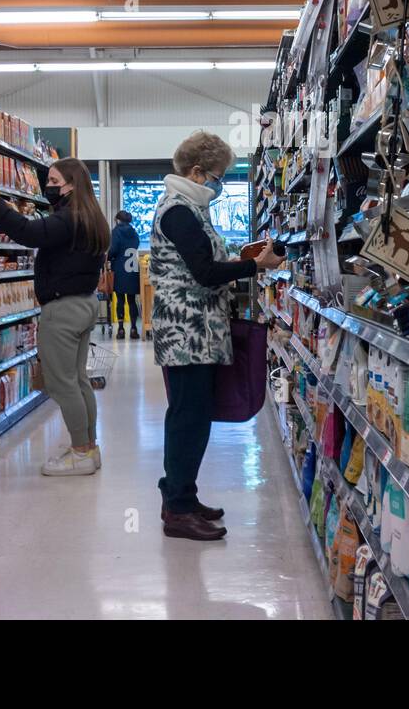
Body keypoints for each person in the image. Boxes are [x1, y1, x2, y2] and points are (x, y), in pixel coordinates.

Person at [149, 131, 284, 541]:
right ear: (196, 171)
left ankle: (183, 498)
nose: (218, 183)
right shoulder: (178, 211)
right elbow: (205, 272)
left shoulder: (191, 208)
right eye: (216, 175)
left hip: (198, 330)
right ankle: (176, 508)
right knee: (188, 419)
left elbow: (206, 262)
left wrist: (243, 258)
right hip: (185, 332)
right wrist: (254, 267)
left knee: (193, 416)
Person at [0, 158, 109, 477]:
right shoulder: (92, 217)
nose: (48, 187)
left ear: (71, 184)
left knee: (62, 383)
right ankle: (89, 448)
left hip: (63, 310)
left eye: (53, 180)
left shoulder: (68, 218)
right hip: (85, 303)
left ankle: (80, 452)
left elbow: (27, 232)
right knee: (78, 379)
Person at [107, 210, 142, 340]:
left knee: (120, 300)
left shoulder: (116, 231)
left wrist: (108, 257)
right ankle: (134, 328)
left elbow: (114, 249)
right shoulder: (134, 232)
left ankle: (121, 329)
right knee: (132, 301)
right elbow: (136, 245)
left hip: (121, 269)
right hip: (133, 269)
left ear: (118, 220)